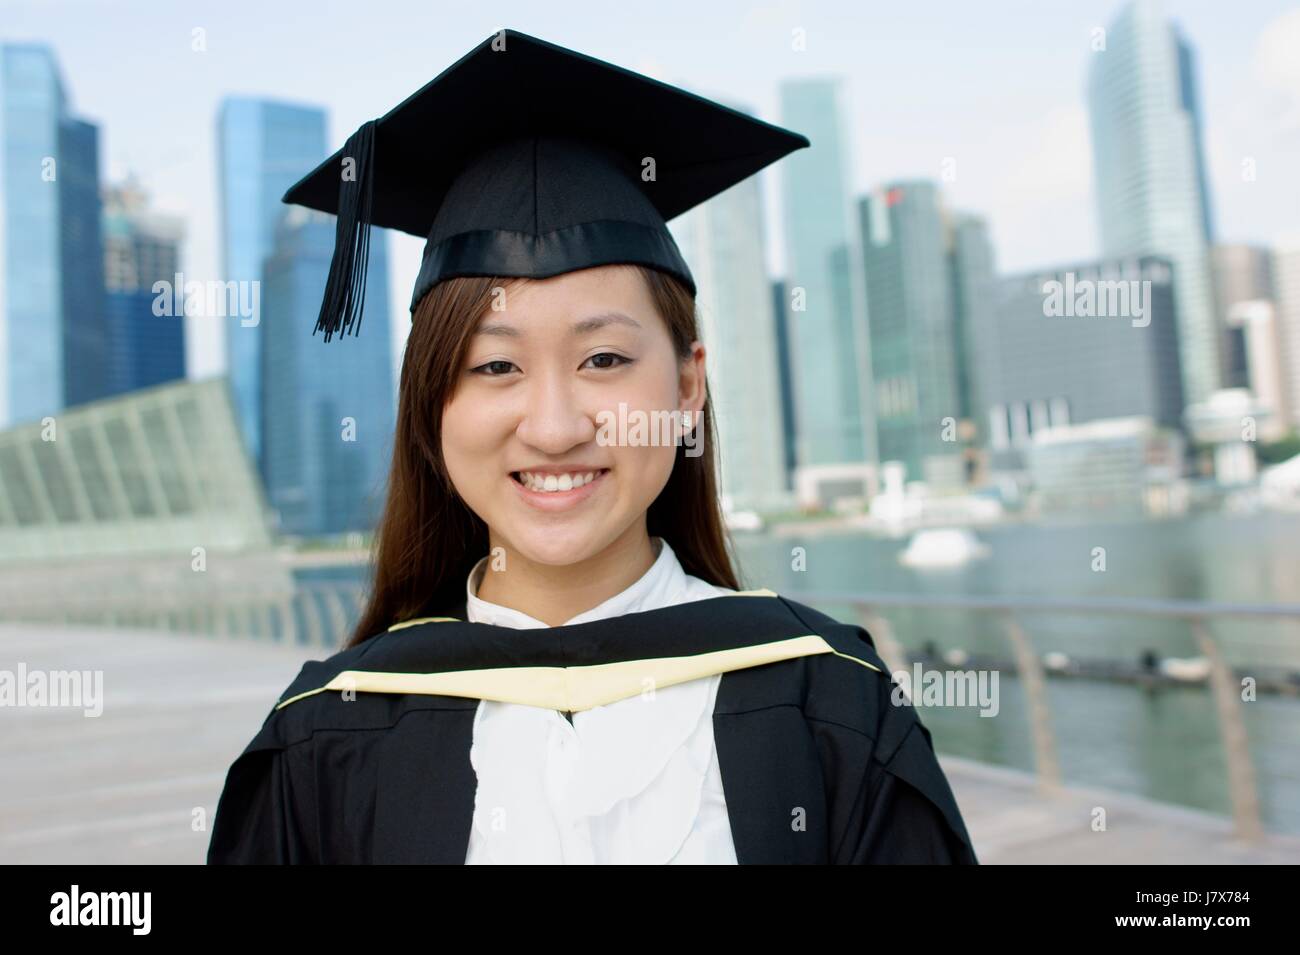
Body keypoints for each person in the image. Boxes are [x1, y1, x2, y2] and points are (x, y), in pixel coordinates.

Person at [207, 28, 978, 865]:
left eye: (603, 359)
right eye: (493, 364)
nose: (553, 426)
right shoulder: (328, 732)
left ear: (689, 386)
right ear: (431, 405)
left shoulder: (829, 702)